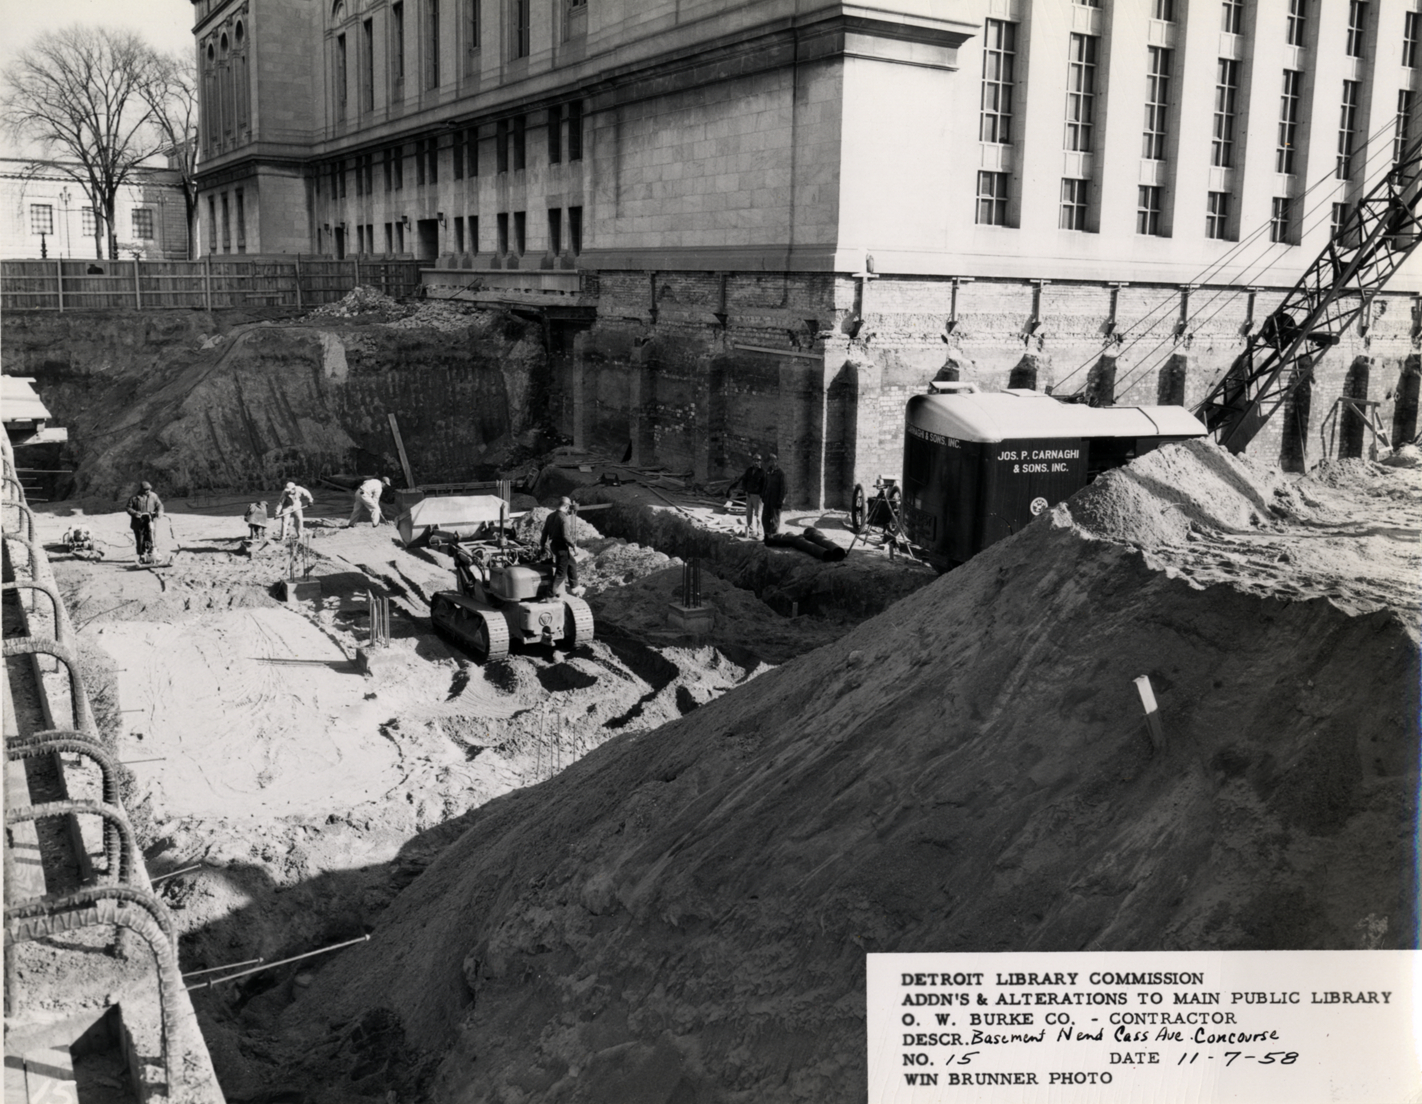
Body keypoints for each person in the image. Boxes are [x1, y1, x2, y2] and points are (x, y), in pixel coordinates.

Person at [539, 497, 587, 597]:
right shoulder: (563, 518)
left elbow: (544, 533)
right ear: (566, 506)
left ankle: (575, 587)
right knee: (561, 573)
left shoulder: (551, 516)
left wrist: (542, 546)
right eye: (568, 507)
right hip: (561, 547)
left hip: (554, 545)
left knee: (572, 563)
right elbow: (566, 536)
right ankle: (550, 594)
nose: (569, 510)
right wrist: (574, 546)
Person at [727, 453, 767, 539]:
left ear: (760, 462)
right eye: (754, 460)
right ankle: (751, 531)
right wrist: (745, 490)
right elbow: (744, 480)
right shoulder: (749, 470)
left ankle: (759, 533)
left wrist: (762, 495)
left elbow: (765, 485)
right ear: (752, 461)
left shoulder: (762, 473)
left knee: (758, 515)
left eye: (758, 461)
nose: (756, 462)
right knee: (749, 513)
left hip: (757, 496)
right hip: (749, 495)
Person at [125, 480, 164, 562]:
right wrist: (135, 513)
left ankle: (152, 553)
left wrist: (160, 511)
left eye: (149, 489)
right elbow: (128, 508)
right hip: (139, 522)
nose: (147, 491)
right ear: (141, 489)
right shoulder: (134, 498)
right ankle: (142, 554)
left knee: (151, 536)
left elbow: (159, 505)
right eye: (146, 490)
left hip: (150, 521)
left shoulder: (153, 496)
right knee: (140, 538)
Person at [761, 453, 786, 539]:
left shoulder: (781, 474)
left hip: (775, 500)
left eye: (772, 461)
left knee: (775, 520)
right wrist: (763, 496)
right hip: (767, 499)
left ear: (776, 461)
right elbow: (765, 484)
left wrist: (780, 501)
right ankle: (767, 536)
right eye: (769, 461)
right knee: (765, 519)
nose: (770, 463)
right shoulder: (768, 471)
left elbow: (784, 489)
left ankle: (774, 538)